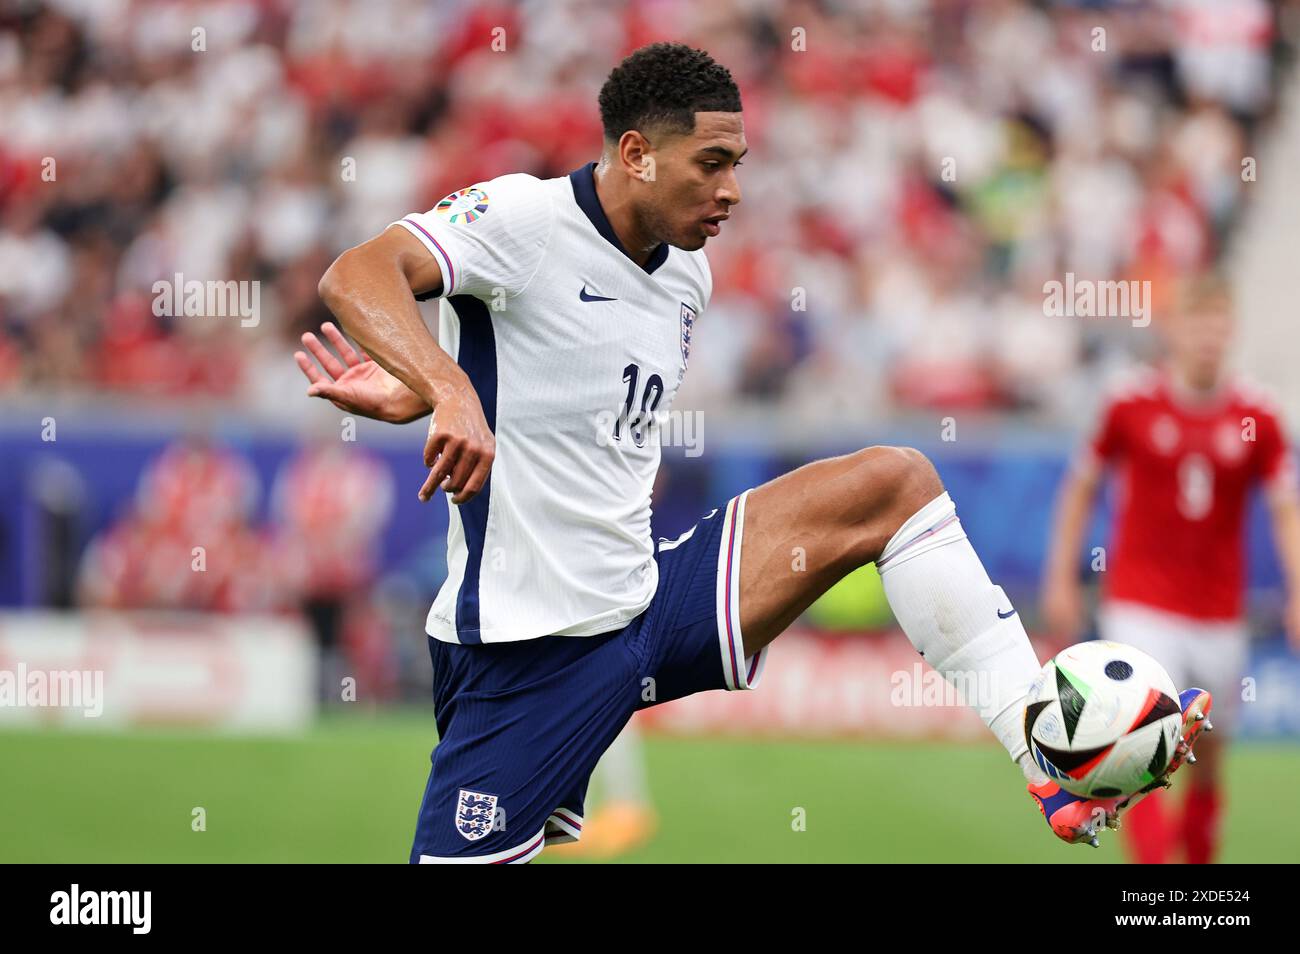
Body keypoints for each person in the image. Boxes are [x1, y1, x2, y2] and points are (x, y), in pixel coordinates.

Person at [300, 42, 1207, 863]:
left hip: (649, 603)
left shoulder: (687, 269)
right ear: (634, 155)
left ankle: (1041, 748)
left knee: (896, 484)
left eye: (738, 164)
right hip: (523, 656)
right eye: (713, 164)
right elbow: (358, 275)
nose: (732, 189)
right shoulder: (522, 218)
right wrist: (442, 386)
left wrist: (436, 383)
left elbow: (557, 376)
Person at [1041, 273, 1300, 862]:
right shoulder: (1129, 402)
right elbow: (1080, 487)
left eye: (1217, 326)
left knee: (1208, 760)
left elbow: (1287, 508)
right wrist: (1060, 577)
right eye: (1196, 325)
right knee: (1140, 749)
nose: (1207, 338)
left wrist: (1297, 592)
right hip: (1140, 605)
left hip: (1217, 611)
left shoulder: (1256, 414)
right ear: (1174, 330)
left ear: (1230, 332)